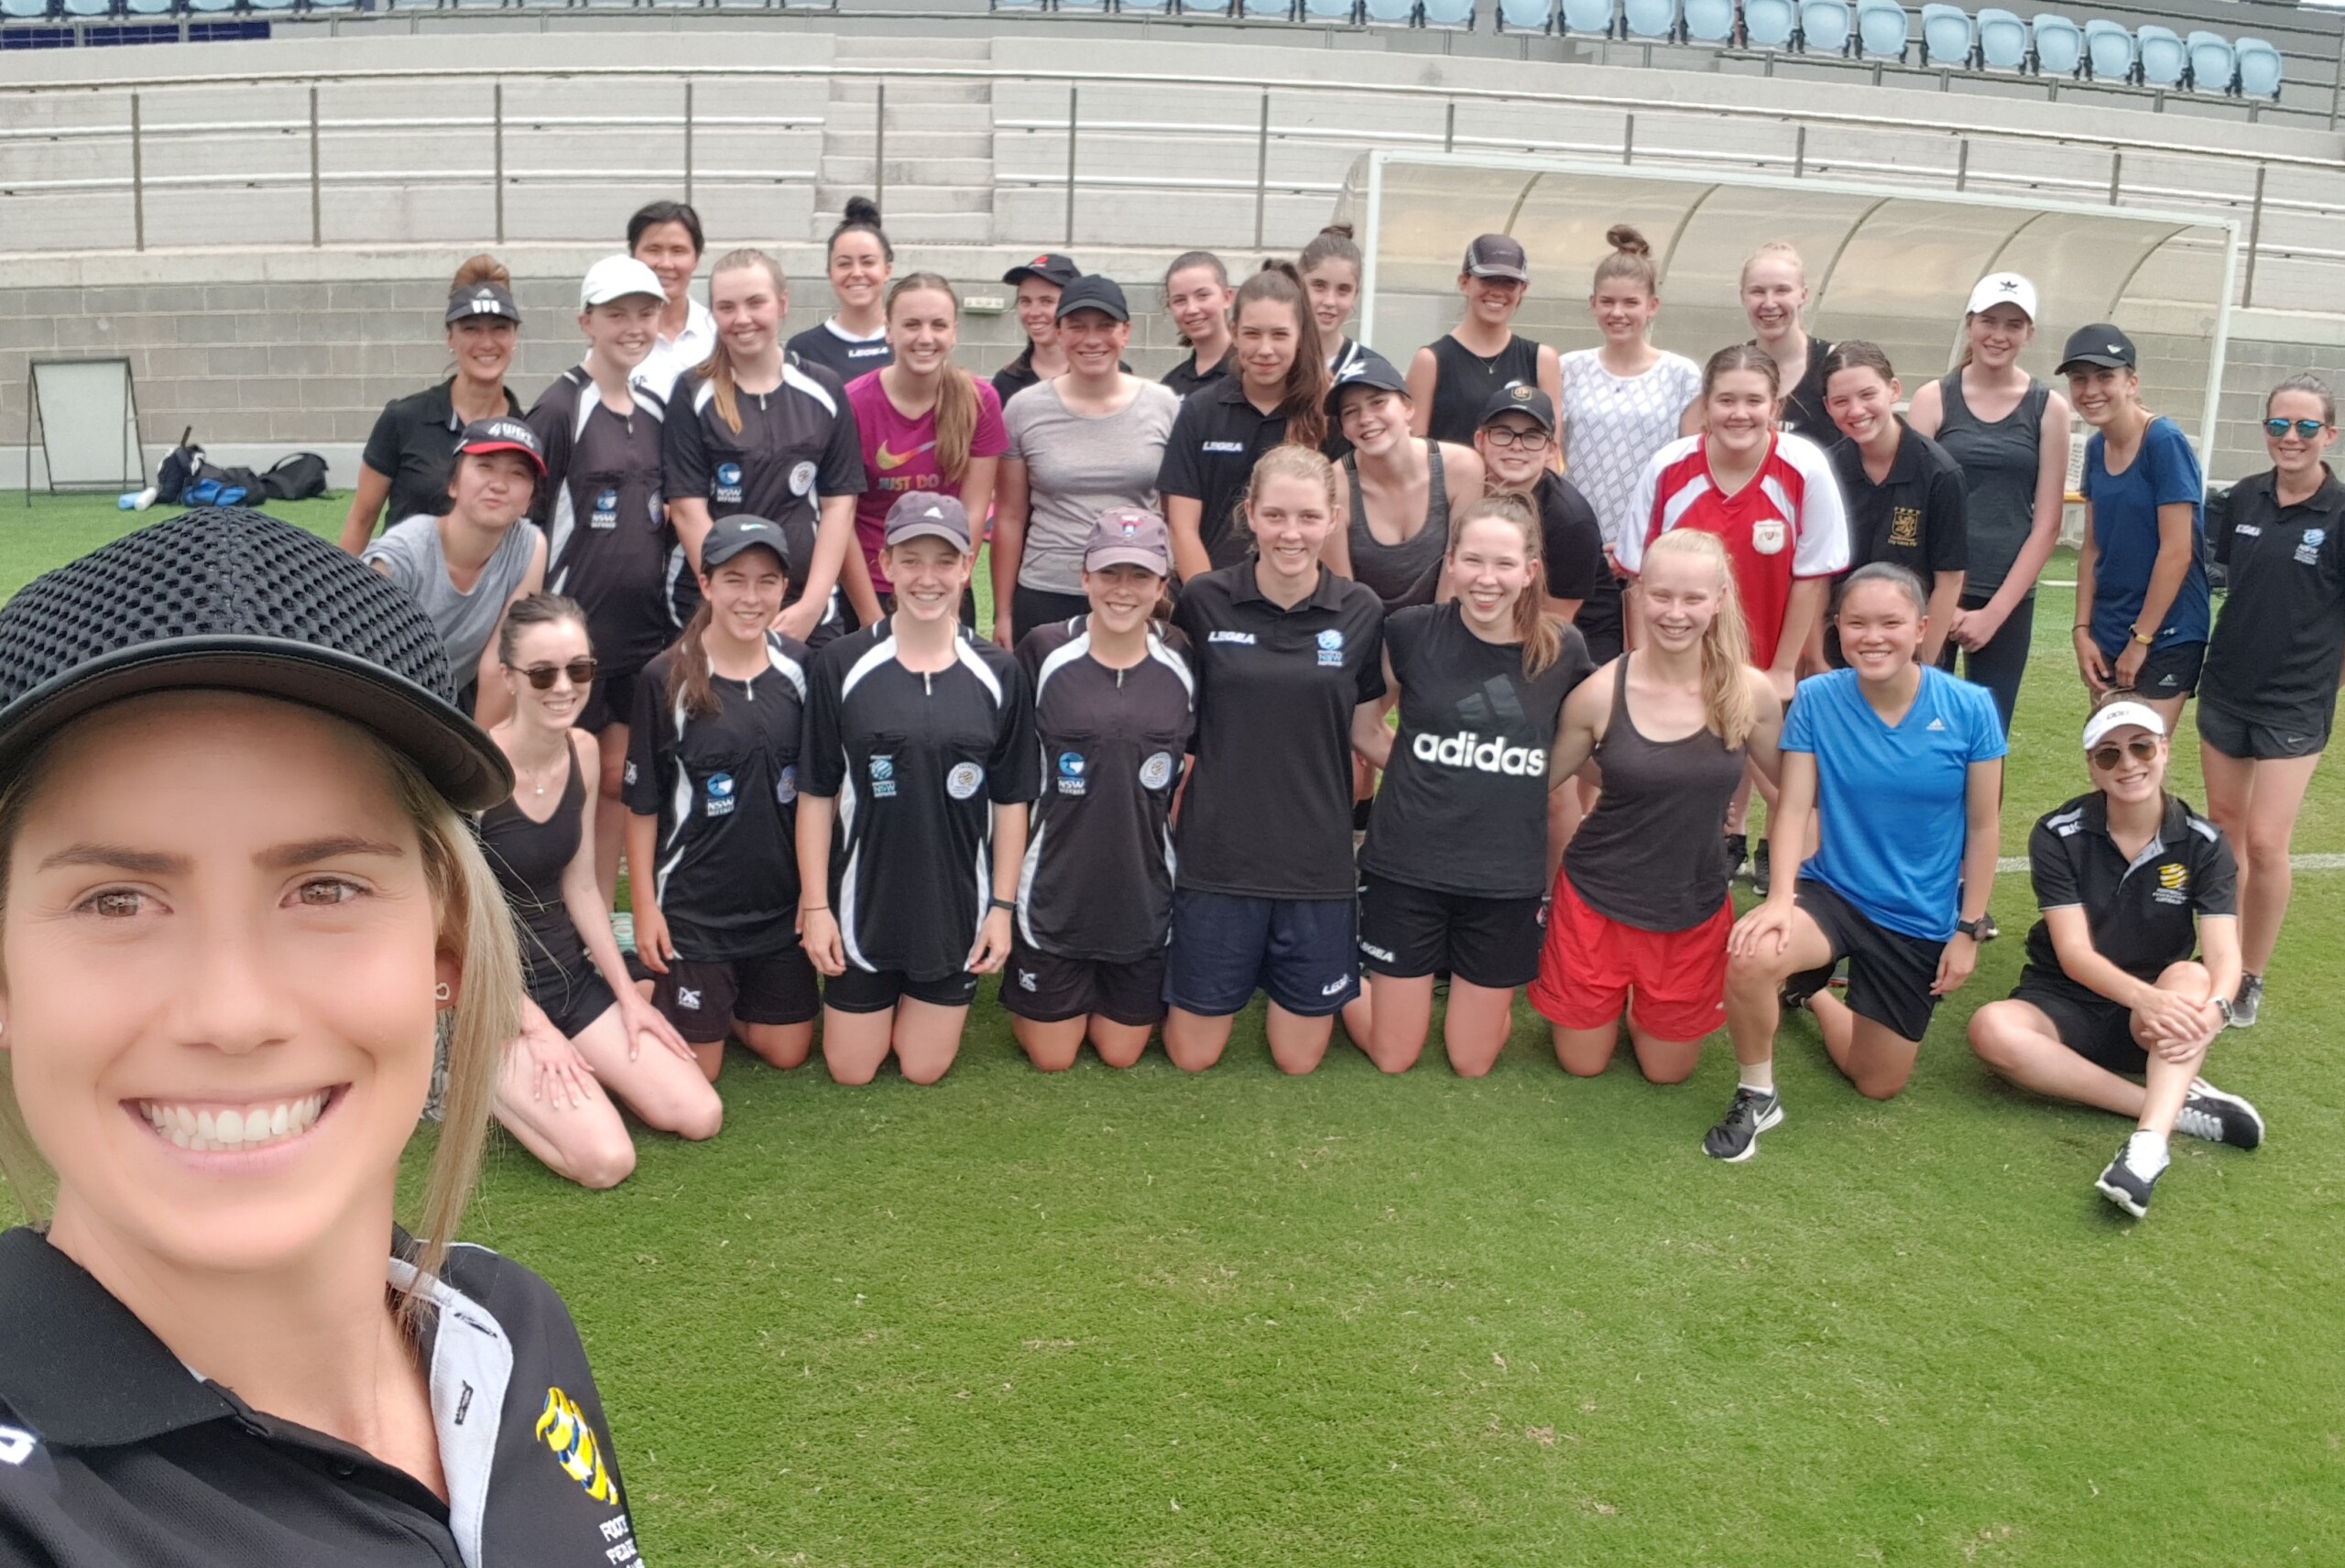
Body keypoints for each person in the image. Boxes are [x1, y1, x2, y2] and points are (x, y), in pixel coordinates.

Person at [0, 507, 643, 1563]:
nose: (233, 1011)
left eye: (325, 885)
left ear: (441, 950)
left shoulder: (507, 1326)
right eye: (116, 900)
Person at [1711, 564, 2003, 1160]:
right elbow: (1792, 810)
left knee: (1877, 1082)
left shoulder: (1970, 708)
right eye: (1857, 623)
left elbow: (1983, 825)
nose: (1874, 637)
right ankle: (1757, 1094)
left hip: (1917, 914)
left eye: (1891, 623)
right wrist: (1777, 901)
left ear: (1922, 628)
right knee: (1752, 954)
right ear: (1836, 629)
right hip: (1833, 896)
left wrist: (1968, 928)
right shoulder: (1819, 698)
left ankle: (1814, 996)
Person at [1968, 701, 2264, 1218]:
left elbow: (2223, 953)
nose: (2128, 764)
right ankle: (2174, 1111)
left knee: (2193, 977)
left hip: (2151, 1020)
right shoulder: (2058, 833)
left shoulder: (2205, 843)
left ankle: (2146, 1149)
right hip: (2064, 997)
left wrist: (2216, 1010)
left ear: (2165, 751)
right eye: (2108, 754)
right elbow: (2074, 954)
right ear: (2091, 766)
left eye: (2141, 747)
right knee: (1990, 1028)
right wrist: (2147, 999)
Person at [1343, 495, 1594, 1075]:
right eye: (1473, 561)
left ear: (1530, 572)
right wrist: (1418, 769)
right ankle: (1330, 980)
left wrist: (1523, 781)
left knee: (1472, 1060)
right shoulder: (1409, 631)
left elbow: (1585, 744)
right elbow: (1365, 725)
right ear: (1450, 562)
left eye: (1505, 564)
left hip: (1502, 878)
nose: (1487, 580)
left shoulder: (1562, 649)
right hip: (1407, 866)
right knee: (1394, 1056)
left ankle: (1465, 997)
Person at [480, 594, 723, 1189]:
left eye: (579, 669)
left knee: (700, 1114)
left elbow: (583, 886)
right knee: (608, 1161)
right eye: (543, 673)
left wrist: (628, 996)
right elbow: (453, 924)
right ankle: (476, 1081)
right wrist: (535, 1029)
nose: (564, 687)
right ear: (510, 679)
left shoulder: (584, 752)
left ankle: (567, 1070)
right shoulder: (472, 771)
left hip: (569, 977)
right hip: (496, 998)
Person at [798, 495, 1038, 1086]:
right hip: (862, 904)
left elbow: (1011, 802)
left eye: (943, 561)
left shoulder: (1000, 673)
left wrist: (1001, 911)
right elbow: (816, 791)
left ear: (966, 567)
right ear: (885, 564)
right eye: (911, 560)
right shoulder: (841, 663)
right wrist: (816, 908)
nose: (926, 578)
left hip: (952, 908)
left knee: (923, 1069)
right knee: (851, 1070)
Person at [1164, 447, 1385, 1074]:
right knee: (1193, 1056)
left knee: (1297, 1061)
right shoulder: (1205, 601)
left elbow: (1369, 730)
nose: (1292, 533)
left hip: (1315, 864)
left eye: (1309, 517)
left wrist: (1439, 783)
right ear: (1251, 516)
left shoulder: (1362, 610)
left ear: (1334, 518)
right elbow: (1177, 726)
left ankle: (1337, 981)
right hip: (1217, 857)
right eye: (1276, 515)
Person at [1532, 528, 1783, 1083]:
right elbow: (1539, 780)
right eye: (1661, 595)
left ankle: (1642, 1002)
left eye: (1693, 598)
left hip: (1688, 910)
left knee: (1667, 1073)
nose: (1675, 613)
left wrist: (1788, 895)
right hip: (1595, 902)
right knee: (1582, 1064)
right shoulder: (1598, 692)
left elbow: (1796, 794)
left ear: (1719, 599)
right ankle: (1611, 995)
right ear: (1638, 594)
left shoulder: (1750, 694)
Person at [1620, 344, 1849, 891]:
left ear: (1777, 405)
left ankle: (1803, 892)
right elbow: (1637, 580)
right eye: (1726, 399)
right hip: (1680, 663)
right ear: (1706, 403)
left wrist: (1782, 669)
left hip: (1768, 661)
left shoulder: (1803, 466)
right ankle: (1678, 868)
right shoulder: (1670, 467)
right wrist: (1638, 665)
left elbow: (1811, 576)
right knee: (1678, 776)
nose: (1739, 413)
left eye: (1754, 400)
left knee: (1789, 782)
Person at [622, 516, 821, 1080]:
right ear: (705, 584)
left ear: (785, 587)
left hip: (778, 911)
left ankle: (720, 1003)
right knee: (698, 1072)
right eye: (734, 579)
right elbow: (642, 806)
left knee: (789, 1051)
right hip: (695, 911)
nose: (750, 597)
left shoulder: (803, 670)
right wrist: (644, 907)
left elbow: (815, 794)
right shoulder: (664, 678)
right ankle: (649, 983)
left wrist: (812, 896)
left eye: (766, 581)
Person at [1007, 510, 1195, 1072]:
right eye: (1109, 573)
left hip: (1141, 898)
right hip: (1053, 893)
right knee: (1053, 1058)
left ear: (1162, 586)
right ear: (1083, 577)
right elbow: (1011, 780)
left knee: (1120, 1053)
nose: (1122, 589)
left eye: (1139, 576)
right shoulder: (1042, 650)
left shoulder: (1182, 656)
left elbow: (1189, 765)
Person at [527, 255, 678, 905]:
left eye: (645, 313)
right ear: (586, 322)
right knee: (564, 782)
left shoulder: (656, 408)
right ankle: (557, 913)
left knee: (617, 779)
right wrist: (532, 627)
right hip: (573, 636)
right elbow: (528, 525)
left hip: (642, 637)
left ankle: (601, 909)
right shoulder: (560, 408)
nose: (634, 327)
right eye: (617, 314)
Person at [2197, 374, 2344, 1029]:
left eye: (2307, 427)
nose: (2292, 437)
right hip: (2227, 686)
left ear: (2329, 435)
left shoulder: (2340, 513)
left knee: (2265, 843)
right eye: (2280, 424)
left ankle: (2250, 974)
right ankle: (2218, 963)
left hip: (2294, 706)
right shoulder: (2242, 499)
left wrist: (2320, 683)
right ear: (2265, 430)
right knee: (2223, 827)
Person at [664, 247, 879, 649]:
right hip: (716, 607)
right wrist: (733, 603)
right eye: (726, 307)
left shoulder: (824, 388)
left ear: (782, 304)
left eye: (755, 303)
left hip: (803, 607)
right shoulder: (692, 393)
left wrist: (813, 605)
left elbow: (838, 506)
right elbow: (687, 511)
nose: (742, 318)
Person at [1906, 272, 2073, 735]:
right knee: (1920, 726)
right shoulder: (1933, 398)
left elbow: (2047, 524)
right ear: (1970, 324)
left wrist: (1994, 614)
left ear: (2029, 334)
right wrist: (1942, 605)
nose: (1999, 335)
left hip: (2007, 597)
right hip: (1933, 590)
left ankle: (1983, 813)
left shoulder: (2048, 408)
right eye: (1989, 321)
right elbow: (1913, 510)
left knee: (1988, 736)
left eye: (2013, 325)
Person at [994, 276, 1183, 645]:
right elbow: (1010, 516)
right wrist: (1003, 613)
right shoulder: (1023, 408)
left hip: (1135, 590)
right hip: (1048, 588)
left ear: (1125, 332)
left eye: (1105, 327)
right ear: (1059, 333)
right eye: (1077, 327)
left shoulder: (1164, 406)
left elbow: (1176, 517)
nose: (1092, 340)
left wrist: (1168, 586)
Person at [1556, 224, 1704, 667]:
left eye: (1630, 303)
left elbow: (1689, 466)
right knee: (1578, 664)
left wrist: (1641, 543)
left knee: (1644, 665)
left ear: (1652, 307)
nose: (1618, 313)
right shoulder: (1568, 369)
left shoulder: (1682, 375)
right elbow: (1554, 456)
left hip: (1650, 547)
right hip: (1580, 547)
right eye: (1607, 302)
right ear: (1593, 305)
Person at [2064, 323, 2210, 733]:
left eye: (2105, 377)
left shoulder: (2163, 442)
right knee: (2110, 755)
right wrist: (2082, 631)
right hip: (2108, 630)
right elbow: (2093, 548)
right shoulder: (2096, 447)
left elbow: (2177, 551)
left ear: (2132, 382)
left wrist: (2140, 640)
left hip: (2166, 634)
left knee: (2142, 756)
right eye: (2080, 380)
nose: (2091, 390)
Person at [362, 416, 549, 724]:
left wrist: (484, 764)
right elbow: (356, 662)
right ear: (453, 484)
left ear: (529, 500)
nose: (499, 485)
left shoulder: (529, 547)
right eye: (485, 466)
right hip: (374, 702)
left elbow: (497, 665)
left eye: (517, 473)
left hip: (442, 706)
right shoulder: (399, 557)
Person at [338, 254, 525, 554]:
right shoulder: (404, 419)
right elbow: (362, 520)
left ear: (515, 337)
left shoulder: (527, 433)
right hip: (399, 595)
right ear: (450, 337)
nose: (487, 342)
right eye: (471, 328)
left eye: (499, 328)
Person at [847, 273, 1008, 615]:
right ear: (888, 330)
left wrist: (953, 595)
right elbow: (842, 517)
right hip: (871, 585)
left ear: (954, 333)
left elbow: (974, 511)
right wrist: (868, 616)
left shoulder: (980, 401)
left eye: (938, 325)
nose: (925, 338)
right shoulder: (853, 403)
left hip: (945, 585)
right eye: (911, 325)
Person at [1159, 262, 1330, 582]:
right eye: (1252, 334)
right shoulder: (1200, 411)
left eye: (1280, 335)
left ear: (1300, 337)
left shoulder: (1325, 413)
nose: (1265, 349)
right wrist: (1206, 600)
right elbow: (1182, 528)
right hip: (1213, 596)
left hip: (1301, 602)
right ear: (1235, 333)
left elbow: (1339, 523)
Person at [1820, 340, 1968, 668]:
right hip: (1838, 651)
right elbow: (1815, 574)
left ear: (1894, 390)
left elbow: (1949, 580)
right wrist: (1816, 659)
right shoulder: (1825, 471)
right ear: (1828, 407)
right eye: (1841, 401)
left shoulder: (1940, 473)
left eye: (1867, 395)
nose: (1856, 410)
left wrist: (1924, 665)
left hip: (1909, 653)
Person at [1325, 354, 1485, 611]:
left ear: (1408, 407)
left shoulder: (1462, 469)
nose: (1365, 418)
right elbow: (1344, 598)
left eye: (1378, 402)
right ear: (1344, 429)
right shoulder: (1333, 486)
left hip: (1441, 630)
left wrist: (1431, 646)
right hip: (1363, 632)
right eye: (1351, 411)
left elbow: (1457, 581)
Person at [1406, 234, 1563, 449]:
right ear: (1464, 283)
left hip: (1519, 484)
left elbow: (1550, 451)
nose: (1497, 291)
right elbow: (1414, 450)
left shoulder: (1541, 360)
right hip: (1451, 482)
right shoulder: (1431, 361)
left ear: (1522, 290)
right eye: (1487, 279)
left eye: (1509, 282)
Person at [1474, 387, 1608, 630]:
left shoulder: (1571, 520)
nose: (1517, 446)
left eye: (1532, 436)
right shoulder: (1463, 491)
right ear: (1480, 440)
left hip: (1573, 633)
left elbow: (1556, 620)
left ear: (1551, 450)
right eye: (1504, 433)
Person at [785, 196, 895, 382]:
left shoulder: (910, 342)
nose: (857, 273)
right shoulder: (803, 349)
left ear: (887, 270)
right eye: (844, 264)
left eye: (868, 262)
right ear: (830, 273)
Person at [1735, 240, 1834, 444]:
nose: (1769, 303)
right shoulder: (1730, 367)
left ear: (1803, 295)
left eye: (1782, 290)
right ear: (1743, 297)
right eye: (1758, 291)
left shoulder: (1834, 365)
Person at [627, 199, 715, 400]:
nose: (666, 264)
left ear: (696, 259)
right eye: (653, 250)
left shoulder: (719, 334)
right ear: (633, 256)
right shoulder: (616, 338)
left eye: (678, 251)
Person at [993, 251, 1084, 403]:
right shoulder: (1006, 382)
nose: (1033, 313)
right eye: (1025, 301)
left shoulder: (1108, 374)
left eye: (1046, 301)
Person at [1302, 221, 1383, 382]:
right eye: (1319, 285)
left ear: (1355, 295)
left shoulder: (1372, 371)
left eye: (1343, 289)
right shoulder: (1273, 363)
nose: (1330, 301)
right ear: (1297, 284)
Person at [1160, 251, 1236, 398]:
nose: (1192, 309)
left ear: (1227, 297)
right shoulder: (1171, 386)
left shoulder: (1251, 374)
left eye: (1203, 296)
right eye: (1180, 300)